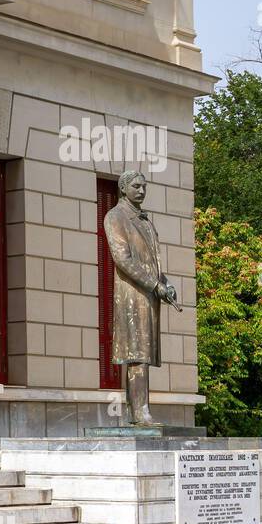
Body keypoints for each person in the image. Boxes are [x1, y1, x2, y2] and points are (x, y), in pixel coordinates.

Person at [103, 169, 179, 426]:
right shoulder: (115, 216)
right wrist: (154, 284)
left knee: (143, 352)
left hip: (149, 295)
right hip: (132, 295)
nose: (142, 190)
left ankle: (137, 412)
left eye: (144, 186)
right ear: (123, 188)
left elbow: (152, 261)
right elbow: (122, 259)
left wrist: (165, 283)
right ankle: (139, 413)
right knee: (137, 352)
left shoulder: (146, 221)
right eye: (136, 186)